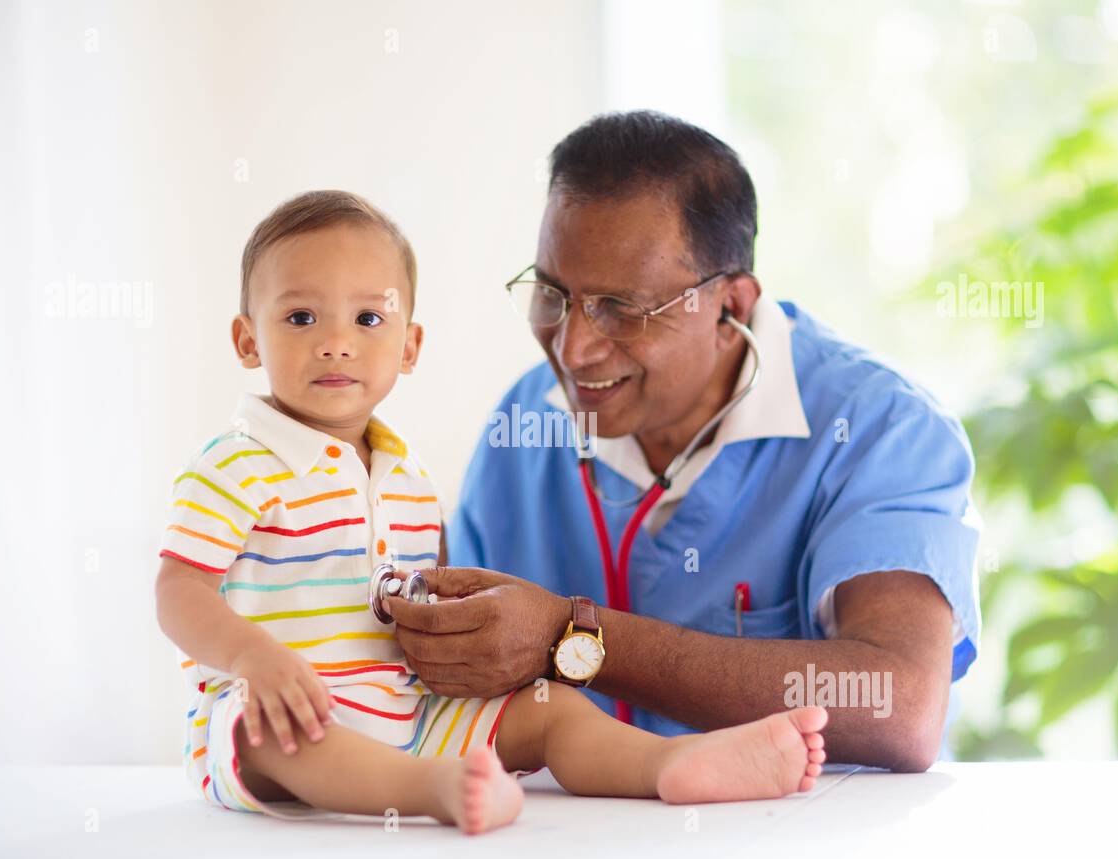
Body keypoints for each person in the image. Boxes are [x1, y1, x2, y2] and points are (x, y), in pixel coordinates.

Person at [153, 189, 829, 835]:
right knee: (276, 735)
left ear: (409, 347)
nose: (336, 343)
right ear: (247, 341)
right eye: (301, 318)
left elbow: (427, 591)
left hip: (408, 709)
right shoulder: (234, 464)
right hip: (280, 711)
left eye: (368, 319)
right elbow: (178, 589)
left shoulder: (409, 479)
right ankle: (429, 791)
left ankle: (670, 763)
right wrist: (253, 660)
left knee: (552, 707)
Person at [388, 112, 982, 771]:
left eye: (621, 308)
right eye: (553, 294)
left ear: (729, 308)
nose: (573, 349)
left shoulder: (880, 430)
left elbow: (899, 707)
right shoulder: (526, 419)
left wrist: (573, 638)